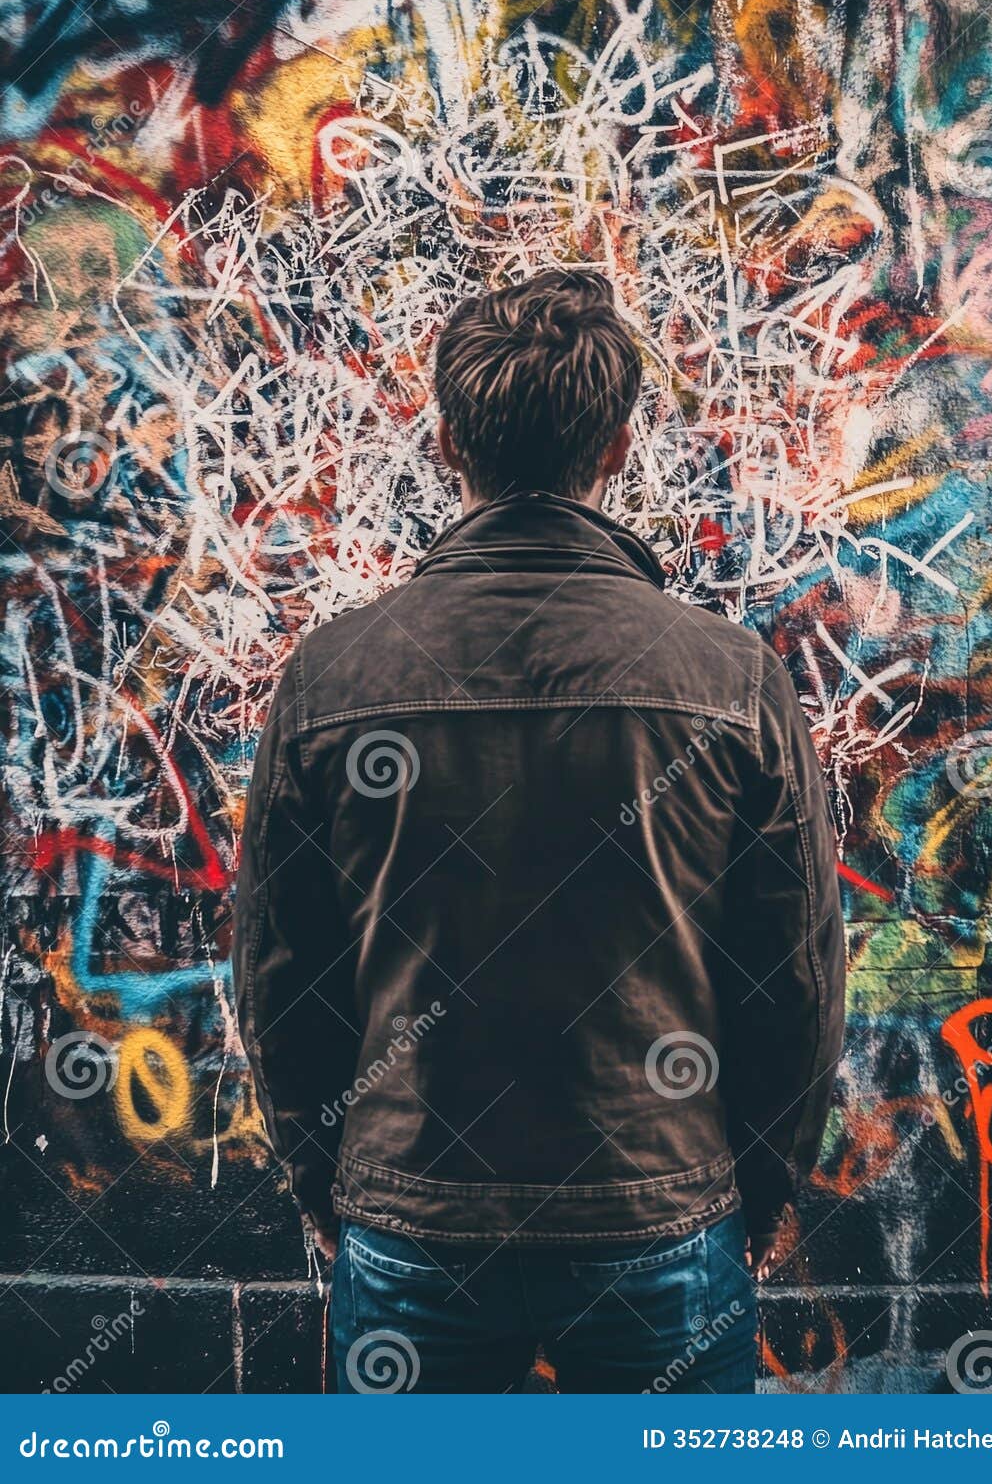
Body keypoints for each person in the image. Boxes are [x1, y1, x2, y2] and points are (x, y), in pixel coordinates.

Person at [233, 268, 845, 1394]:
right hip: (661, 1214)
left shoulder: (329, 680)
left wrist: (333, 1185)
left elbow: (282, 974)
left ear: (445, 440)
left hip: (413, 1221)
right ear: (615, 448)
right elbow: (793, 975)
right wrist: (757, 1192)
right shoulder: (729, 677)